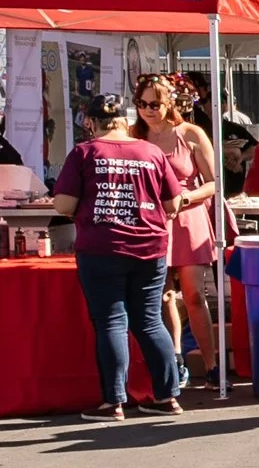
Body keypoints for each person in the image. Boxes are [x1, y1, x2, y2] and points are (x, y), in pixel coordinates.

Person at [51, 94, 185, 421]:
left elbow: (64, 205)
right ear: (125, 120)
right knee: (150, 320)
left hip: (102, 247)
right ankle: (168, 397)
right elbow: (173, 204)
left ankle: (113, 402)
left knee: (111, 321)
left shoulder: (84, 152)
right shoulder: (151, 152)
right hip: (150, 247)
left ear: (90, 122)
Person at [131, 74, 221, 388]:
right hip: (153, 220)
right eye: (141, 104)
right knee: (163, 294)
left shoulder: (191, 133)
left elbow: (214, 183)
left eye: (154, 104)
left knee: (195, 294)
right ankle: (176, 359)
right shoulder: (135, 137)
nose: (147, 110)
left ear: (170, 103)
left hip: (189, 218)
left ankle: (211, 364)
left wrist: (187, 197)